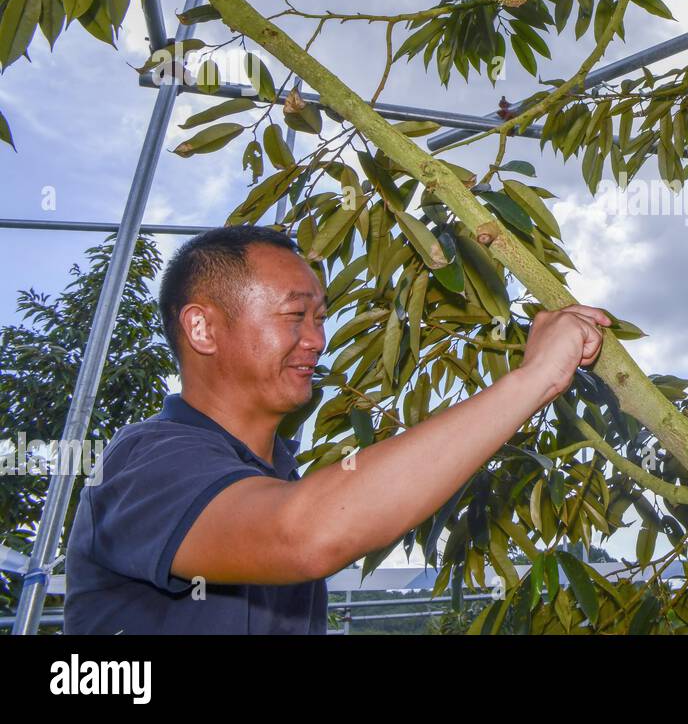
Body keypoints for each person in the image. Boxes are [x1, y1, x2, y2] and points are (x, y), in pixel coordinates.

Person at [63, 224, 609, 633]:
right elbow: (302, 534)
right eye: (295, 316)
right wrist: (534, 379)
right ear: (202, 328)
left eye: (321, 318)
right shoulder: (146, 461)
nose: (317, 341)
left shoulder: (277, 474)